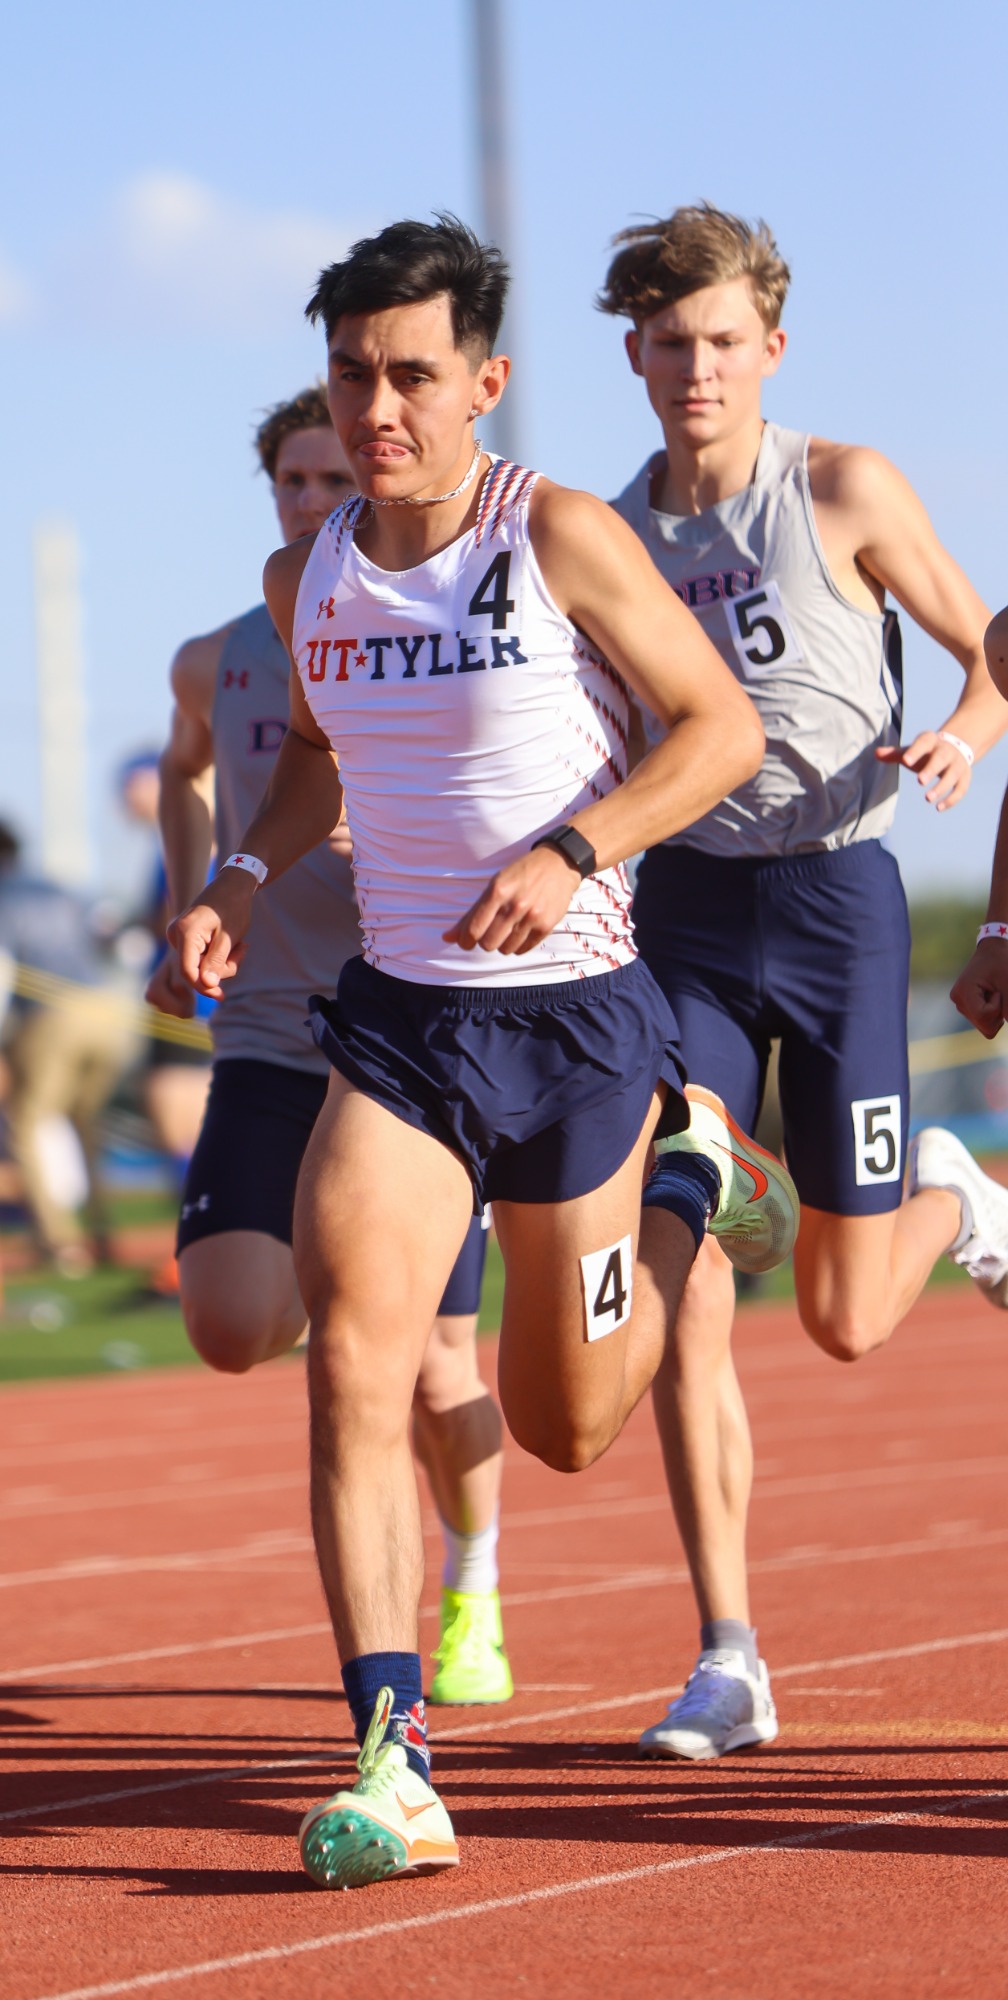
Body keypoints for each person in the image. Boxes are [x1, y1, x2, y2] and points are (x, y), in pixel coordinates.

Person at [170, 215, 797, 1889]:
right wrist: (242, 872)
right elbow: (312, 755)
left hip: (586, 1031)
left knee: (570, 1420)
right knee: (355, 1361)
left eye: (413, 377)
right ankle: (396, 1758)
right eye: (352, 375)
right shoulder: (309, 579)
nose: (378, 411)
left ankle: (684, 1186)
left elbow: (719, 730)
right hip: (401, 1025)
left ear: (487, 384)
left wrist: (580, 849)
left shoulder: (564, 535)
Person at [597, 201, 1008, 1763]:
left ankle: (956, 1198)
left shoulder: (841, 485)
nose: (696, 368)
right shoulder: (611, 534)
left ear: (770, 346)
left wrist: (964, 736)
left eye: (722, 342)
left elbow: (998, 651)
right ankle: (728, 1653)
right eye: (669, 344)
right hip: (686, 909)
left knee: (842, 1320)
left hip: (841, 902)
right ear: (631, 353)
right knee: (687, 1259)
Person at [147, 383, 513, 1709]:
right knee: (233, 1325)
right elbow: (190, 770)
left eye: (327, 483)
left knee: (433, 1367)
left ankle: (471, 1581)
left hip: (412, 1039)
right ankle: (340, 1288)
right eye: (291, 486)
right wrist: (189, 895)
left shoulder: (433, 630)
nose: (312, 503)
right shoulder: (219, 655)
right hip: (265, 1026)